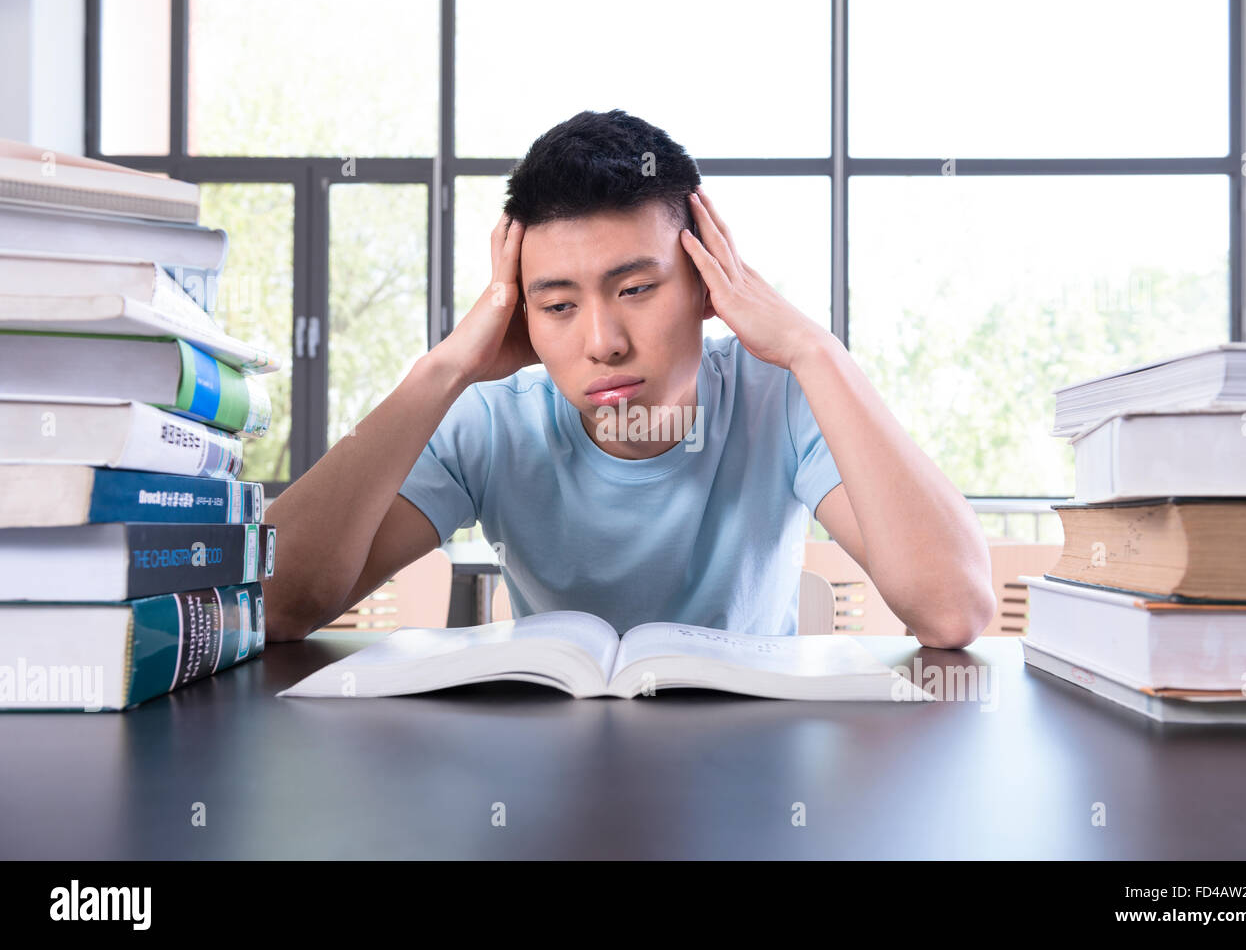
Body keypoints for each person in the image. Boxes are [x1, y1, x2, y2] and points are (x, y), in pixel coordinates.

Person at [263, 109, 996, 645]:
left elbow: (954, 609)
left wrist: (814, 348)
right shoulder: (491, 418)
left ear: (711, 284)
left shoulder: (782, 395)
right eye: (556, 305)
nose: (602, 342)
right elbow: (275, 604)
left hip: (747, 783)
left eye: (636, 289)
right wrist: (445, 368)